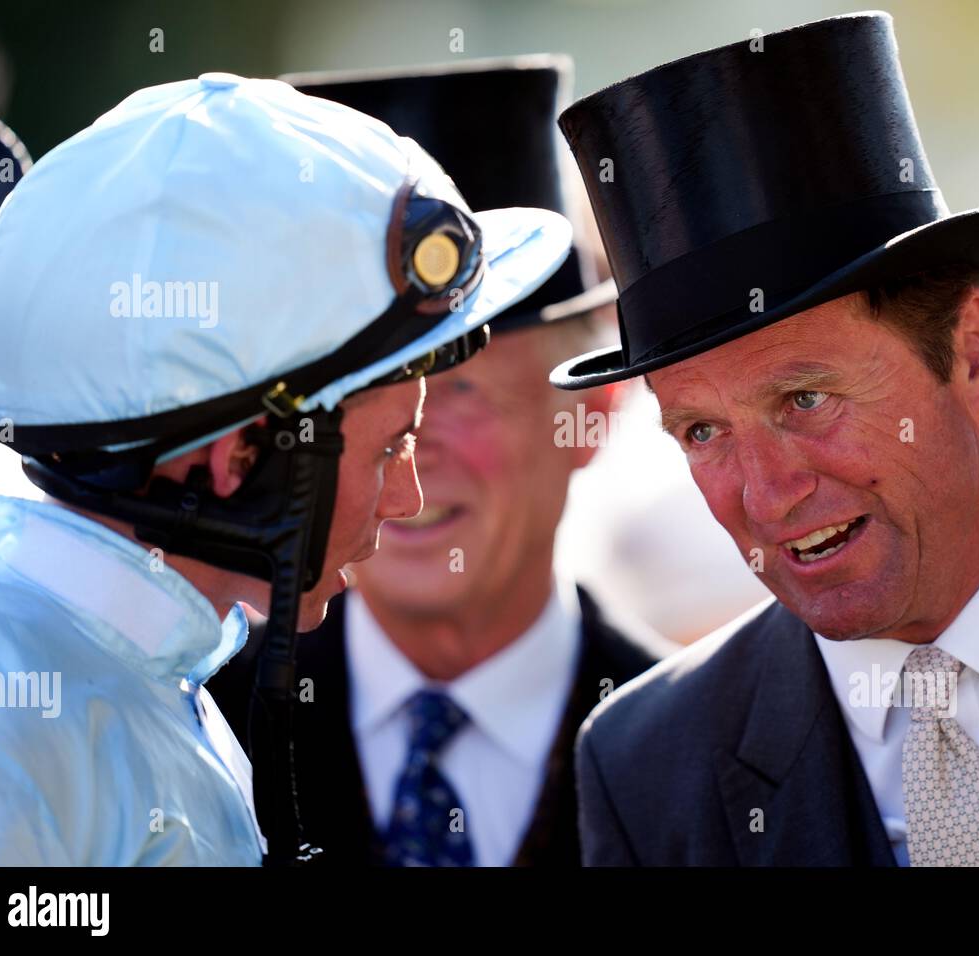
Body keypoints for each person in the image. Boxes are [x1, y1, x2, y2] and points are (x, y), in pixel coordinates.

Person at [550, 13, 979, 866]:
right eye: (702, 431)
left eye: (806, 399)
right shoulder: (649, 772)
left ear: (974, 351)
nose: (766, 494)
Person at [0, 72, 572, 865]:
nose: (407, 495)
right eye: (392, 446)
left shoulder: (119, 682)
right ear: (237, 456)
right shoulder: (0, 748)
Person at [210, 57, 668, 867]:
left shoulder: (698, 749)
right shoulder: (199, 723)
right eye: (348, 397)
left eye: (453, 392)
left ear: (592, 415)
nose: (403, 460)